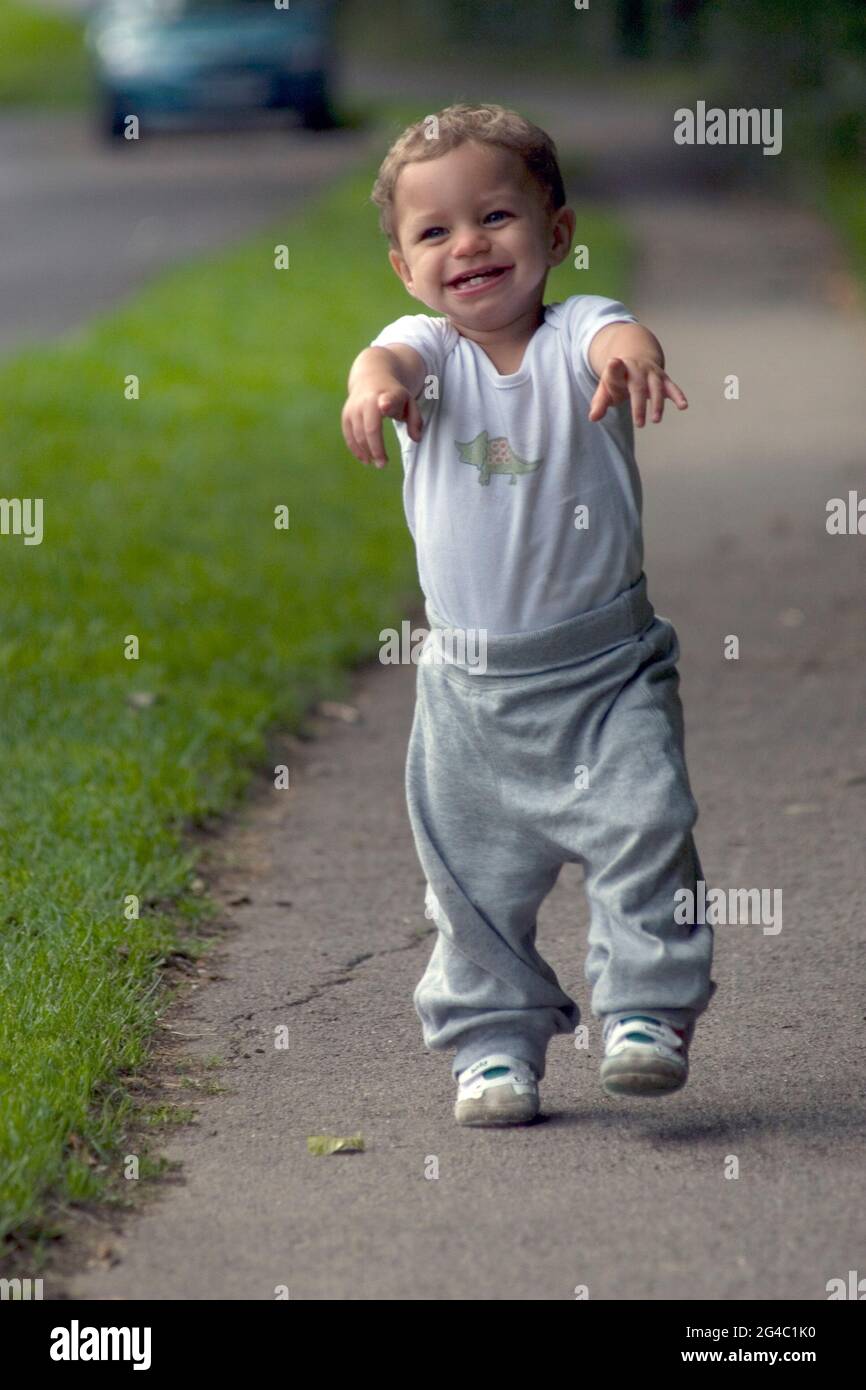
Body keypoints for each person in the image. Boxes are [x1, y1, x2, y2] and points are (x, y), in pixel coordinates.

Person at [341, 103, 716, 1126]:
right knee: (471, 885)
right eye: (433, 232)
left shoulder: (576, 332)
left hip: (606, 672)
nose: (466, 244)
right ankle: (492, 1044)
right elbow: (387, 361)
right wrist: (372, 388)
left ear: (553, 233)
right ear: (404, 266)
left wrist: (629, 359)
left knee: (647, 825)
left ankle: (643, 1008)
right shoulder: (428, 353)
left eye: (494, 216)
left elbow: (619, 333)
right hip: (470, 696)